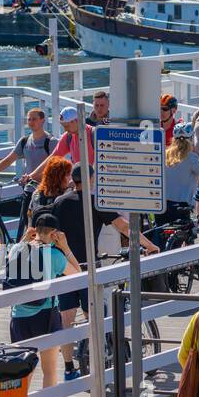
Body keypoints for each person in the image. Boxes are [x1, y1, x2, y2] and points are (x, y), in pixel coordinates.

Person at [49, 163, 154, 381]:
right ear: (91, 179)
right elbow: (125, 227)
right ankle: (96, 361)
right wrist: (149, 245)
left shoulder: (59, 202)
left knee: (66, 318)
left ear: (73, 180)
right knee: (94, 316)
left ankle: (69, 368)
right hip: (89, 267)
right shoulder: (96, 202)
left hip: (64, 267)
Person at [8, 212, 80, 397]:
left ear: (35, 230)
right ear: (55, 233)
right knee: (49, 370)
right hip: (46, 315)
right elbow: (77, 274)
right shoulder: (55, 255)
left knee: (23, 372)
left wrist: (23, 240)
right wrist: (66, 247)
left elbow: (10, 268)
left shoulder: (16, 249)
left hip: (19, 317)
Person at [164, 126, 199, 224]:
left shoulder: (165, 155)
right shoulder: (191, 158)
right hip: (182, 206)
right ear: (191, 139)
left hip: (163, 205)